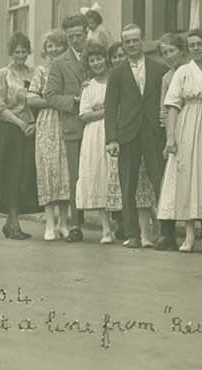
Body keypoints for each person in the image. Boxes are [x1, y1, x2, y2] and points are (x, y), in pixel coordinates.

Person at [158, 29, 202, 253]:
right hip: (186, 123)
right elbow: (173, 105)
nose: (196, 49)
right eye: (192, 45)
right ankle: (188, 235)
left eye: (200, 44)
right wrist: (171, 136)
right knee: (186, 175)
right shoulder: (183, 72)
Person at [102, 41, 157, 245]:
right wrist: (111, 138)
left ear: (141, 42)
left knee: (159, 181)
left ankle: (166, 233)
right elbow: (110, 107)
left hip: (152, 133)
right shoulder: (117, 73)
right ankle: (132, 234)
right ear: (124, 44)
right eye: (128, 42)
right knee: (128, 185)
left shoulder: (157, 68)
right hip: (127, 135)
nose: (132, 45)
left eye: (135, 41)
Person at [0, 33, 38, 240]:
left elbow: (38, 100)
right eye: (17, 52)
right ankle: (14, 223)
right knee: (11, 174)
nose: (21, 55)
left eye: (24, 51)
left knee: (25, 175)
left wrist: (34, 124)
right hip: (12, 127)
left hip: (30, 128)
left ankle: (10, 222)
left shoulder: (34, 73)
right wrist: (20, 124)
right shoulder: (4, 73)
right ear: (11, 53)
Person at [47, 14, 91, 234]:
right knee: (76, 176)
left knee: (106, 172)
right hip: (74, 125)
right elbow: (51, 96)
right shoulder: (59, 62)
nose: (75, 40)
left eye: (79, 35)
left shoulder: (97, 54)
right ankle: (76, 224)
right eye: (71, 36)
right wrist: (74, 101)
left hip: (100, 123)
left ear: (86, 33)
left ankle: (115, 224)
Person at [73, 44, 120, 244]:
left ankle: (122, 224)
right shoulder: (89, 86)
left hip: (115, 131)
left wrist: (107, 110)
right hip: (94, 134)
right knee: (98, 175)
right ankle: (106, 228)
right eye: (92, 60)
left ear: (106, 59)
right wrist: (107, 110)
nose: (96, 63)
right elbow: (84, 114)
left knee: (116, 174)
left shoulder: (116, 81)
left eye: (99, 58)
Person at [31, 30, 74, 243]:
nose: (54, 49)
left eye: (58, 45)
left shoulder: (69, 67)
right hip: (48, 122)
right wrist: (55, 100)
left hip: (67, 120)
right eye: (50, 46)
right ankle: (49, 223)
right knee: (48, 169)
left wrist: (60, 100)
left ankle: (63, 223)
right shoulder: (40, 71)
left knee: (65, 169)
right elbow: (31, 99)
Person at [147, 32, 185, 250]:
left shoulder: (194, 70)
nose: (169, 56)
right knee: (168, 180)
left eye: (172, 51)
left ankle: (195, 230)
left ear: (181, 50)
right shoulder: (167, 78)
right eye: (164, 53)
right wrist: (166, 134)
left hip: (195, 128)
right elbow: (163, 108)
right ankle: (167, 231)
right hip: (172, 132)